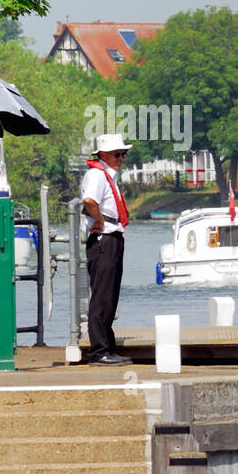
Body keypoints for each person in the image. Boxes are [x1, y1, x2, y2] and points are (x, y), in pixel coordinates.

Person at [81, 134, 133, 366]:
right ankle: (99, 351)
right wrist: (99, 221)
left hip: (112, 237)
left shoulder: (106, 175)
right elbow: (89, 201)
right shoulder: (96, 175)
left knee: (109, 296)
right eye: (117, 154)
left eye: (123, 154)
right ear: (103, 155)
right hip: (104, 238)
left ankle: (106, 347)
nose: (121, 158)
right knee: (102, 296)